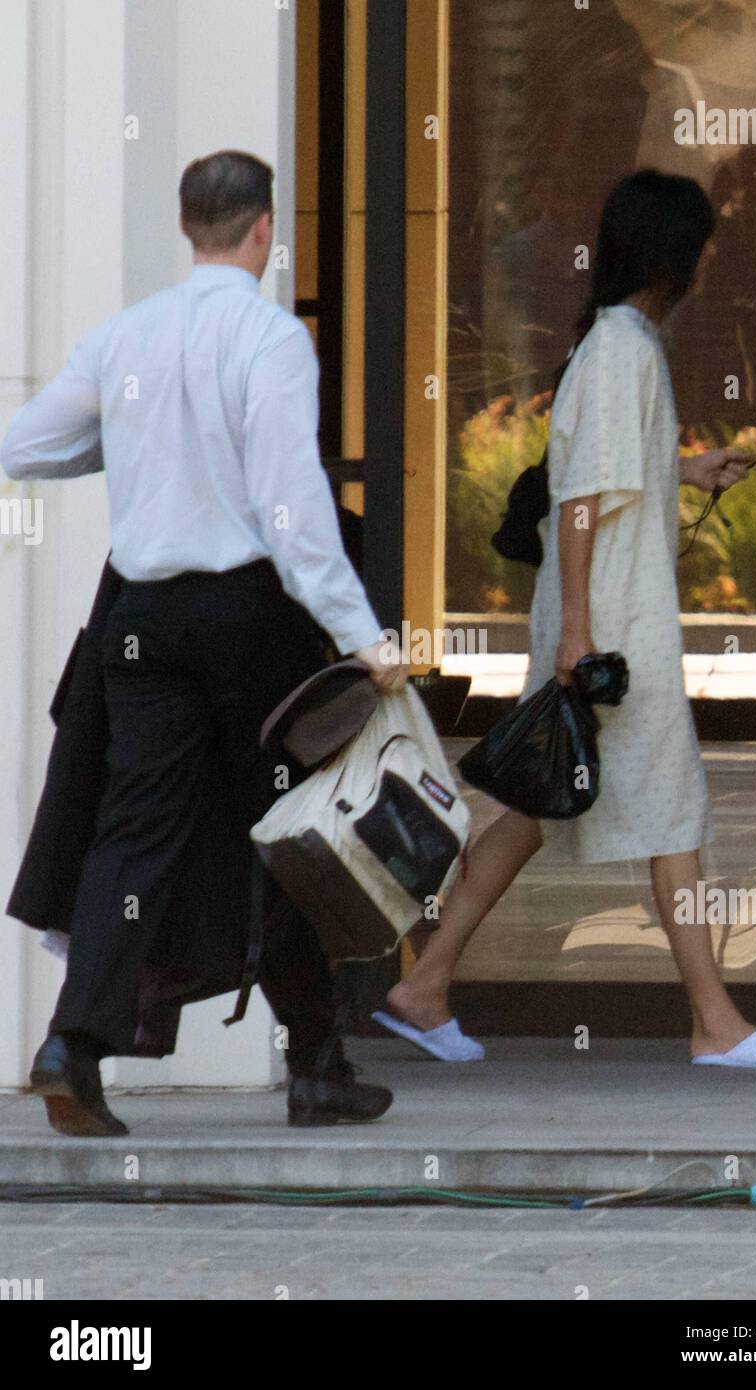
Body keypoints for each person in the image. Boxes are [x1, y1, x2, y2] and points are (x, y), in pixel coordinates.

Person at [2, 149, 406, 1136]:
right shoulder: (269, 340)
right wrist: (364, 636)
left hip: (139, 625)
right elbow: (290, 505)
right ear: (263, 229)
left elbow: (23, 445)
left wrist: (135, 443)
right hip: (242, 619)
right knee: (287, 827)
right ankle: (315, 1062)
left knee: (132, 834)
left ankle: (74, 1045)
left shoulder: (127, 334)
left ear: (188, 227)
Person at [377, 170, 756, 1070]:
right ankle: (714, 1023)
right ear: (672, 254)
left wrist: (686, 471)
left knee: (535, 808)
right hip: (614, 629)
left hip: (599, 619)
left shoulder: (619, 345)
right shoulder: (622, 351)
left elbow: (603, 479)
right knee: (672, 812)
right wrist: (580, 634)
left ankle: (423, 987)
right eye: (699, 243)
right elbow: (580, 501)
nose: (707, 257)